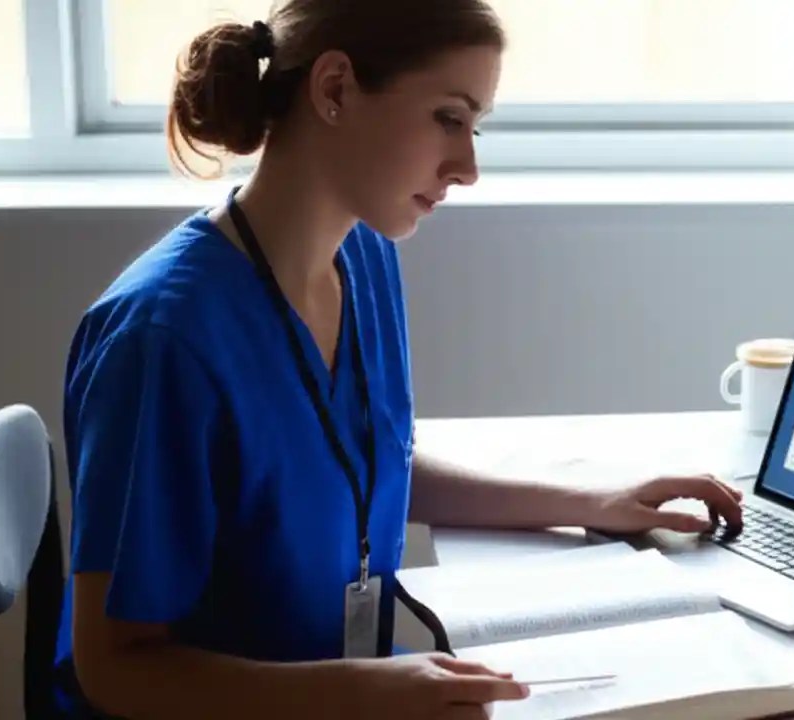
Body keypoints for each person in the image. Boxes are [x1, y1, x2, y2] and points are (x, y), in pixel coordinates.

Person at [54, 1, 743, 718]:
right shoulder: (163, 342)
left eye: (475, 128)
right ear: (335, 90)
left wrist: (591, 502)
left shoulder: (362, 256)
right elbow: (115, 668)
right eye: (449, 118)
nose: (469, 168)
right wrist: (361, 693)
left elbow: (363, 467)